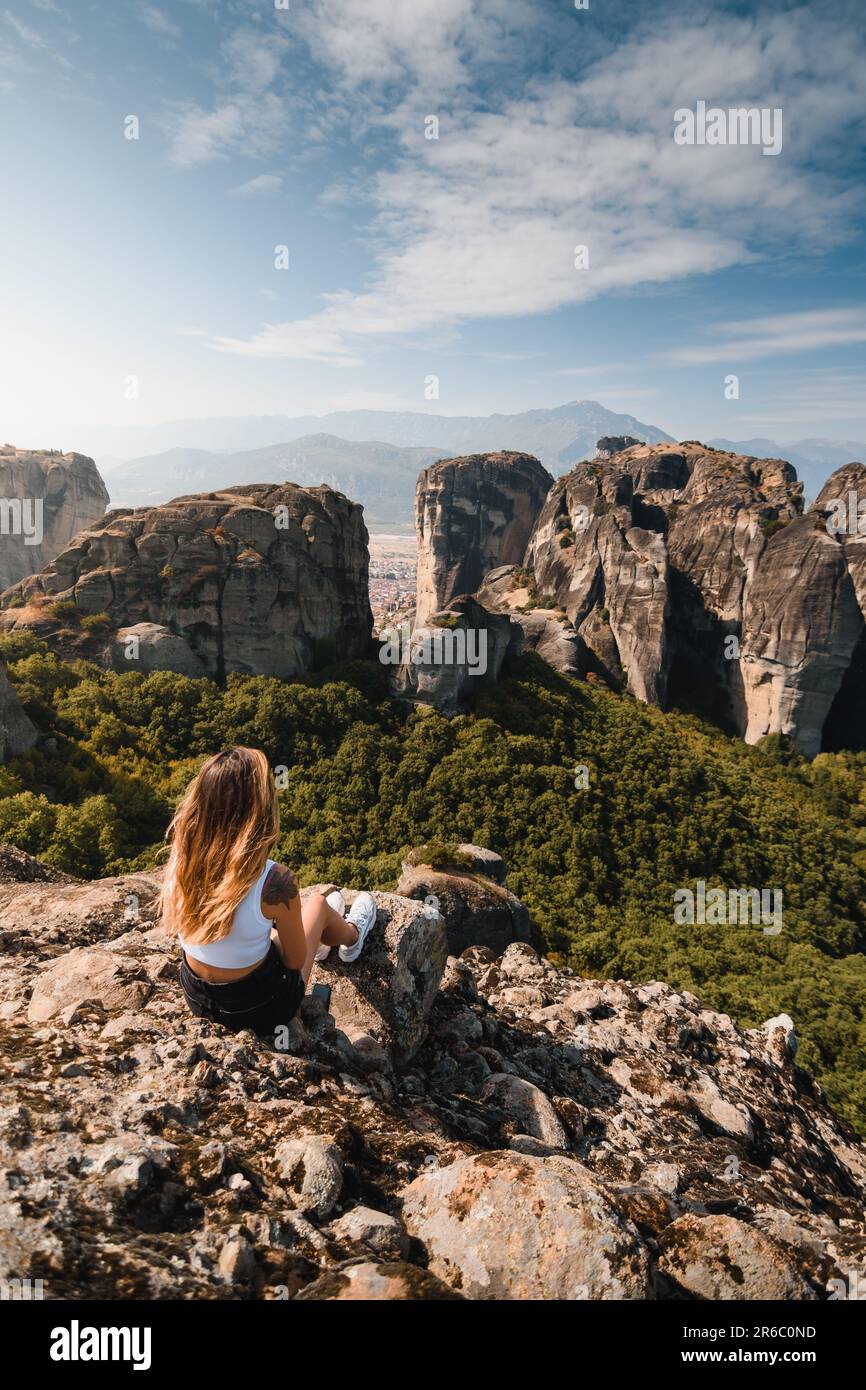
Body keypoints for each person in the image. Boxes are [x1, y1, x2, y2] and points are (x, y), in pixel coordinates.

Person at [159, 746, 376, 1035]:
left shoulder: (181, 858)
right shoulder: (277, 880)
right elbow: (295, 961)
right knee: (317, 906)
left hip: (197, 999)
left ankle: (323, 940)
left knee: (269, 933)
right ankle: (351, 937)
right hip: (259, 1009)